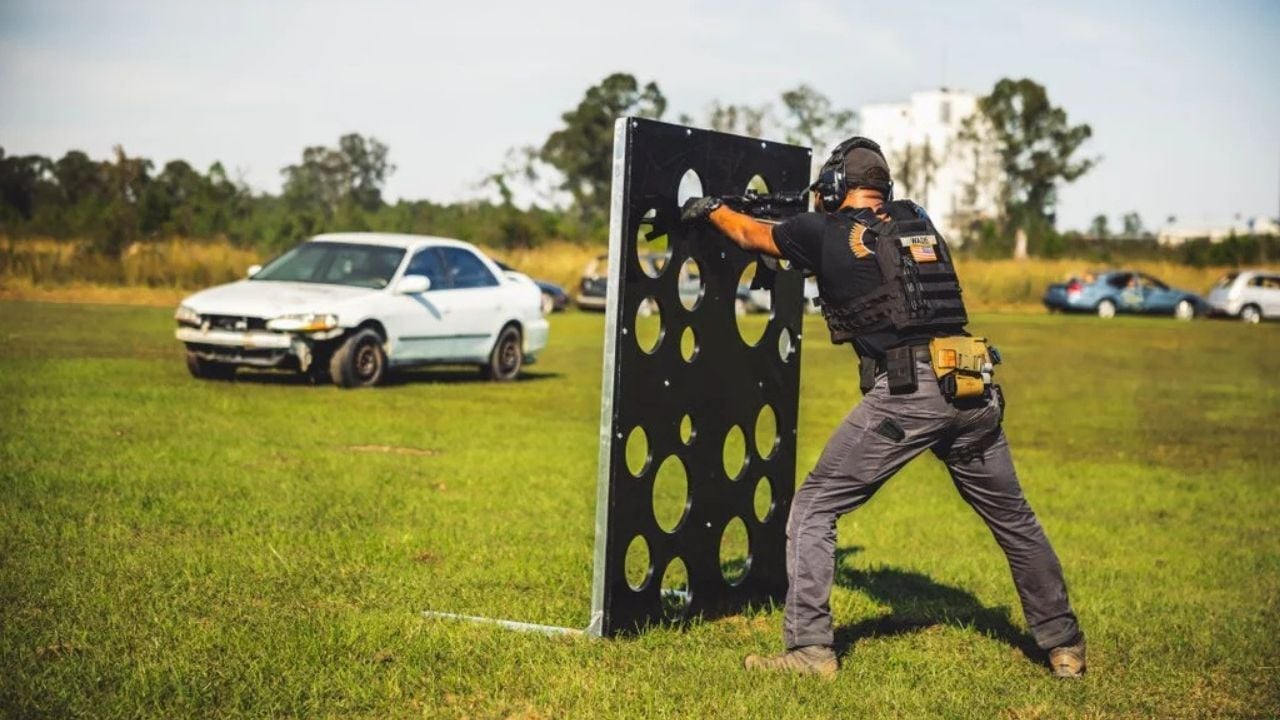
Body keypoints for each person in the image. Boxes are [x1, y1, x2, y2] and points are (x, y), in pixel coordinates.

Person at [681, 136, 1085, 679]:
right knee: (1014, 518)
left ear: (833, 187)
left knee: (814, 506)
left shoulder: (819, 231)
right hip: (971, 381)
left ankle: (808, 651)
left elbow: (751, 235)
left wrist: (713, 209)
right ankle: (1064, 645)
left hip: (909, 391)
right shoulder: (916, 224)